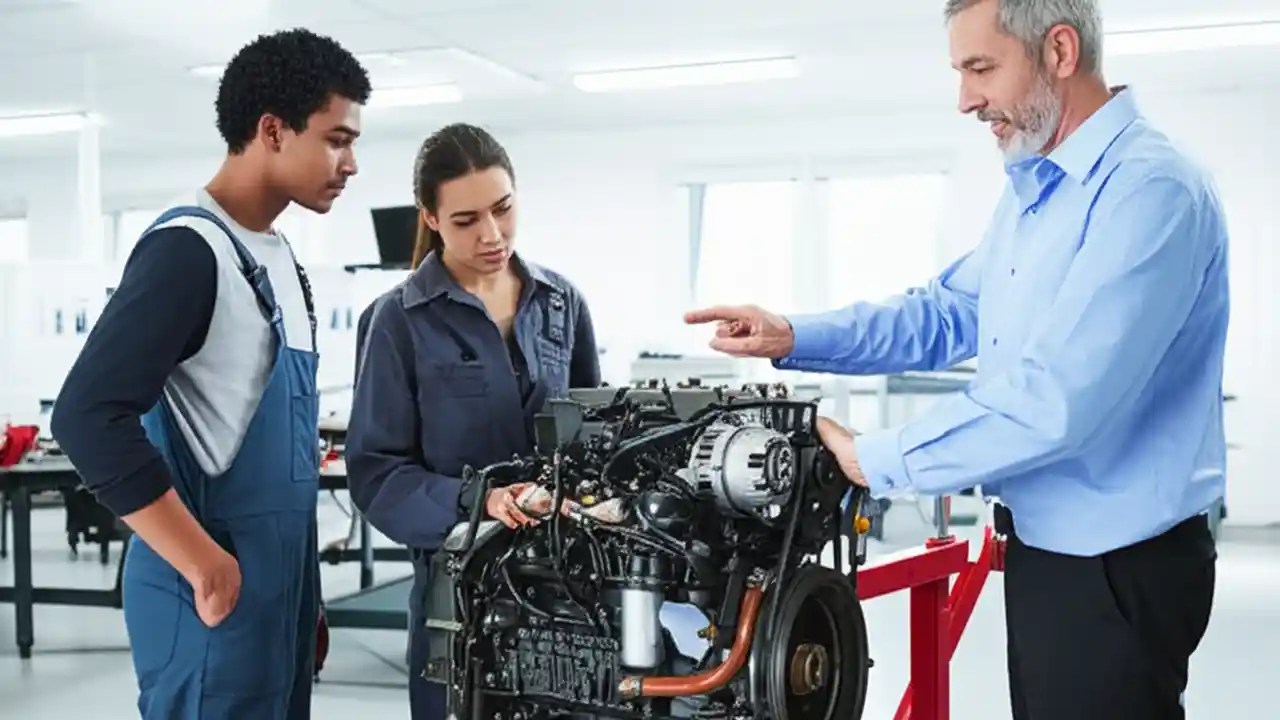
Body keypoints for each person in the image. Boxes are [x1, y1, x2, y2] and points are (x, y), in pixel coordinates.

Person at [686, 1, 1226, 718]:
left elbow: (1057, 401)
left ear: (1059, 51)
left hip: (1118, 568)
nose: (967, 99)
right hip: (1047, 549)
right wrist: (793, 334)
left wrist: (872, 457)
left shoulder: (1149, 192)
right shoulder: (1040, 195)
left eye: (981, 68)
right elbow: (946, 313)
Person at [50, 29, 370, 719]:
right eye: (337, 139)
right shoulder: (188, 251)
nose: (349, 164)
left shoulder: (279, 256)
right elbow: (86, 416)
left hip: (275, 592)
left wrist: (301, 595)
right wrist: (204, 563)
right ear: (273, 130)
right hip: (208, 597)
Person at [344, 122, 602, 719]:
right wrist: (478, 499)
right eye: (466, 220)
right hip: (459, 598)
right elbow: (378, 476)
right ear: (430, 218)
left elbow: (595, 434)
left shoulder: (562, 303)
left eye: (503, 209)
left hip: (573, 589)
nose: (492, 235)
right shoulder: (397, 323)